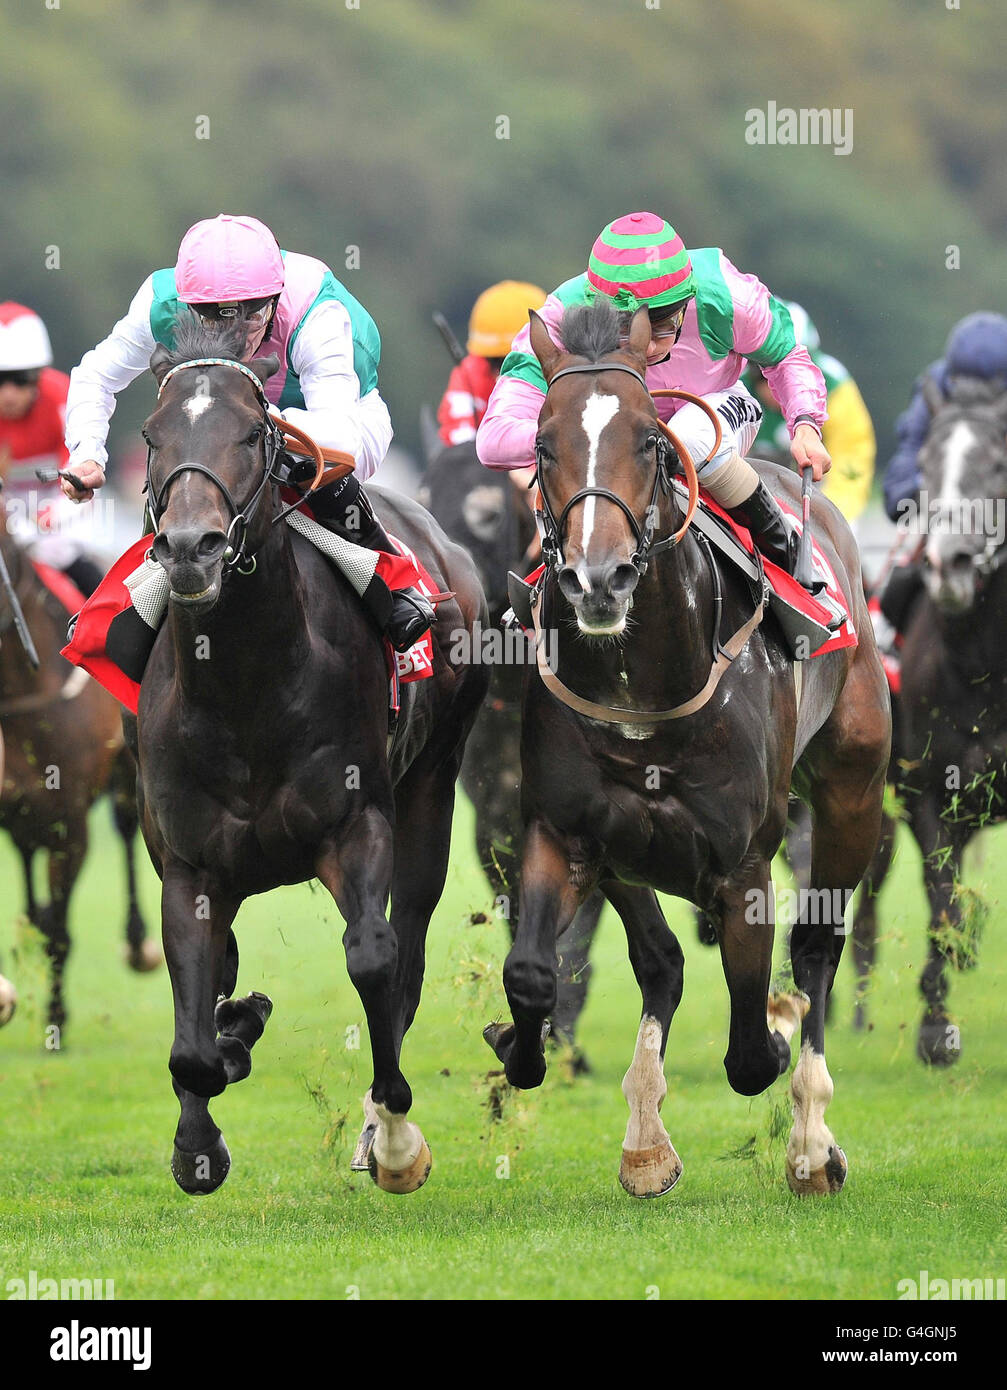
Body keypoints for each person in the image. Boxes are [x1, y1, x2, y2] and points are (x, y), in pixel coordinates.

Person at [63, 214, 434, 650]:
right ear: (188, 304)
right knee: (183, 453)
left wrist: (244, 417)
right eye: (210, 317)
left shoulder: (320, 314)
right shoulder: (159, 302)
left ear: (275, 300)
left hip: (336, 421)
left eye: (250, 314)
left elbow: (339, 436)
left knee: (299, 461)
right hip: (226, 421)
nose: (232, 333)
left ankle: (393, 587)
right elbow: (97, 376)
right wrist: (87, 452)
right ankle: (136, 595)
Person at [477, 211, 831, 574]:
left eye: (660, 328)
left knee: (687, 439)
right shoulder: (560, 317)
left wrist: (805, 423)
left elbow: (787, 355)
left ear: (686, 301)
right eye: (623, 329)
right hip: (613, 440)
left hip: (717, 406)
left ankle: (787, 550)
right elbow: (492, 441)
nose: (646, 349)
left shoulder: (727, 295)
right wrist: (578, 437)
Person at [880, 311, 1007, 631]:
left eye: (984, 388)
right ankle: (887, 648)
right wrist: (937, 484)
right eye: (963, 384)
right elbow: (898, 488)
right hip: (946, 519)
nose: (971, 397)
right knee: (894, 592)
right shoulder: (933, 387)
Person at [0, 302, 103, 595]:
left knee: (62, 551)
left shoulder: (62, 395)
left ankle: (105, 624)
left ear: (38, 375)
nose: (8, 394)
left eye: (20, 380)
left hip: (63, 503)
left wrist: (48, 517)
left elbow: (77, 469)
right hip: (6, 509)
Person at [745, 300, 875, 529]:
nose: (776, 389)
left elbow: (852, 458)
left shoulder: (837, 387)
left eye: (790, 378)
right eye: (763, 375)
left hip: (820, 498)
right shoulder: (736, 385)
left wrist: (833, 514)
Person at [437, 281, 546, 447]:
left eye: (517, 362)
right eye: (496, 361)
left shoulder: (564, 377)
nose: (504, 374)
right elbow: (460, 439)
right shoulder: (469, 373)